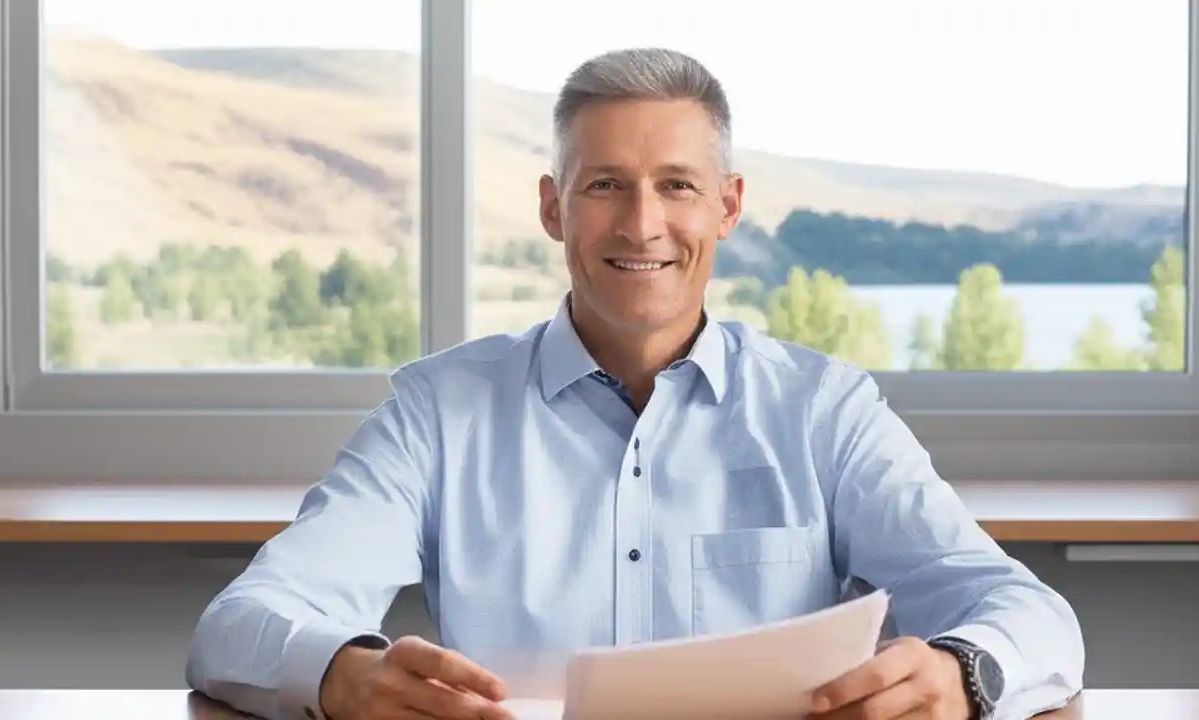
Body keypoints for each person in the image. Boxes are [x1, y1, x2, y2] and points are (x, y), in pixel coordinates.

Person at [186, 48, 1084, 720]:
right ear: (553, 208)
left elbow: (1027, 613)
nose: (642, 223)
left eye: (677, 185)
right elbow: (240, 623)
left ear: (727, 206)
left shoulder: (824, 412)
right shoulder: (438, 413)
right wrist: (340, 674)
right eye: (606, 185)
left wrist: (965, 675)